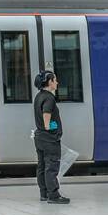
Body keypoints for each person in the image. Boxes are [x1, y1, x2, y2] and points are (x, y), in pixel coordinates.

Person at [32, 70, 69, 205]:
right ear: (49, 82)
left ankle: (44, 193)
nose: (57, 82)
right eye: (55, 80)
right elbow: (46, 113)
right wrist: (50, 126)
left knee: (41, 166)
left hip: (39, 137)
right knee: (51, 166)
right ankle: (53, 195)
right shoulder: (49, 98)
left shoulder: (38, 96)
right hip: (49, 139)